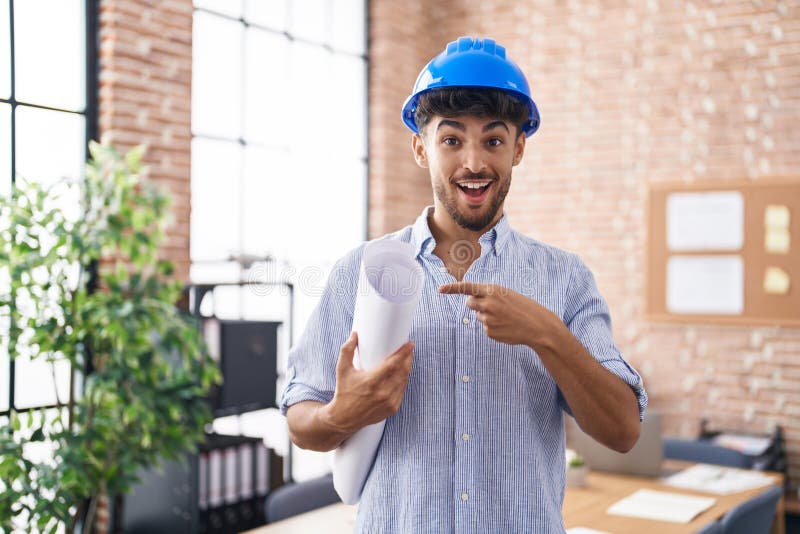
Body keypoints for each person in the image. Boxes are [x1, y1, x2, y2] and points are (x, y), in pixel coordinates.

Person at [281, 36, 647, 532]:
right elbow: (301, 419)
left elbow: (623, 431)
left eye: (493, 140)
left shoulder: (565, 279)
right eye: (451, 140)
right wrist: (340, 415)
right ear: (420, 148)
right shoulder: (360, 271)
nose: (474, 163)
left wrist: (547, 334)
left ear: (518, 148)